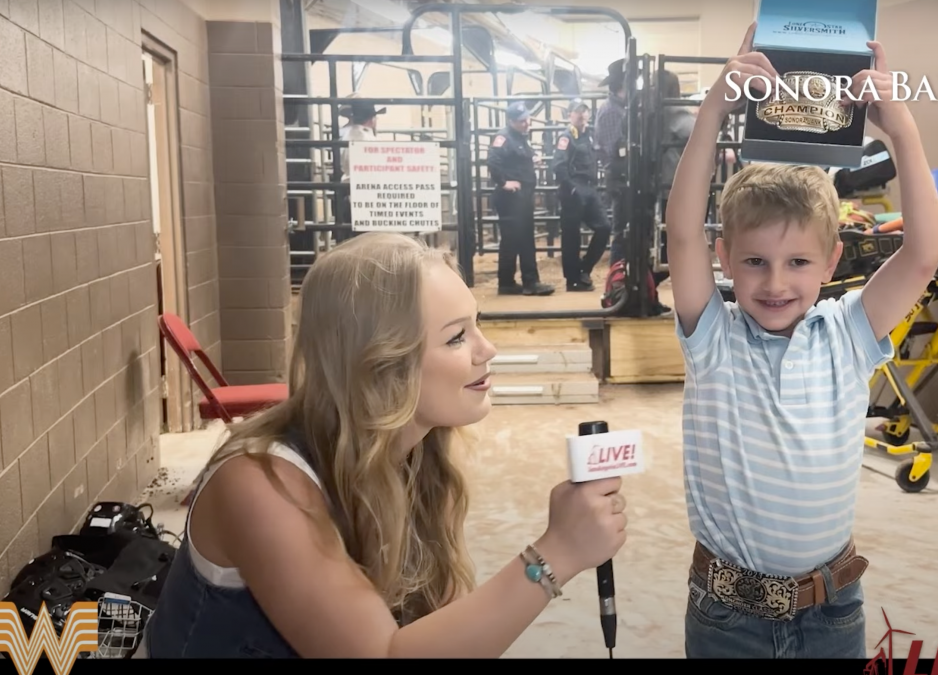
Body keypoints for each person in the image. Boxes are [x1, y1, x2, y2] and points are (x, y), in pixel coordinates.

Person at [139, 233, 628, 658]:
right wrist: (553, 556)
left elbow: (446, 627)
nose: (487, 349)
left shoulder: (415, 455)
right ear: (380, 363)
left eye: (476, 325)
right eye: (457, 337)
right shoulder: (261, 485)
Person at [665, 23, 938, 659]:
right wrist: (717, 104)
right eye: (755, 261)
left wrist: (901, 130)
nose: (774, 283)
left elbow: (925, 253)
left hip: (832, 612)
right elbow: (680, 231)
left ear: (831, 262)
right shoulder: (713, 336)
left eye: (798, 262)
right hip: (725, 613)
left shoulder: (848, 332)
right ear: (724, 258)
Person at [487, 102, 554, 296]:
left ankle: (508, 282)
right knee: (521, 239)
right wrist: (503, 183)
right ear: (511, 121)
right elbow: (493, 161)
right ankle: (529, 282)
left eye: (527, 119)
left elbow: (518, 157)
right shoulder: (504, 137)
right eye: (521, 121)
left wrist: (533, 159)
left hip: (520, 197)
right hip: (511, 197)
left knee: (514, 239)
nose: (526, 123)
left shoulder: (519, 137)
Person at [551, 98, 611, 292]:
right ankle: (573, 279)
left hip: (590, 188)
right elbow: (558, 165)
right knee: (571, 236)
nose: (581, 114)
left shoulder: (591, 135)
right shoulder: (566, 137)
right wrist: (571, 188)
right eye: (577, 111)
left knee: (604, 227)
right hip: (573, 189)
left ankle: (584, 269)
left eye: (584, 111)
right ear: (570, 115)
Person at [594, 59, 630, 263]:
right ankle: (617, 278)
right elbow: (612, 150)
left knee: (625, 229)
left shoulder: (621, 109)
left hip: (623, 175)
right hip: (620, 177)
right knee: (621, 229)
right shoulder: (610, 111)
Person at [337, 97, 385, 230]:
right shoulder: (369, 139)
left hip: (348, 193)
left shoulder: (346, 135)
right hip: (367, 196)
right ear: (371, 118)